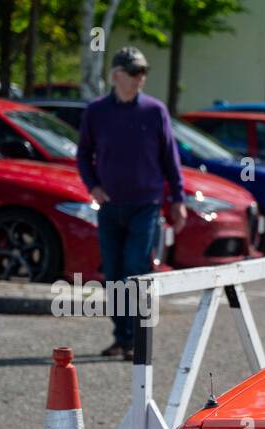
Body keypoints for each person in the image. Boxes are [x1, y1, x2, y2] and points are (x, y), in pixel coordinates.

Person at [77, 47, 185, 360]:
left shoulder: (155, 111)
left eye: (144, 72)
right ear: (116, 75)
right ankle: (122, 338)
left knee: (135, 269)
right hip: (110, 206)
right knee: (113, 272)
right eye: (135, 72)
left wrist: (177, 199)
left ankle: (138, 338)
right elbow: (84, 153)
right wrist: (93, 186)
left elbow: (170, 158)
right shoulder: (96, 111)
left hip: (146, 205)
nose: (141, 78)